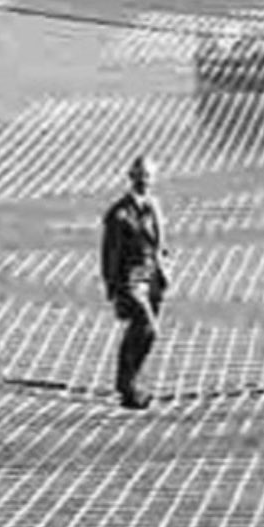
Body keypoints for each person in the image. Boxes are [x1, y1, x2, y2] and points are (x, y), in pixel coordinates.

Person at [101, 154, 169, 410]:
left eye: (149, 176)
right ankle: (127, 385)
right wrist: (112, 288)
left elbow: (160, 243)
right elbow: (109, 254)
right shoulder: (118, 215)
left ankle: (130, 381)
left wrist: (163, 270)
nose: (144, 181)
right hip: (129, 280)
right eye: (140, 176)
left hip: (151, 278)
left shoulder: (154, 207)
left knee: (143, 335)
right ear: (131, 178)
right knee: (148, 328)